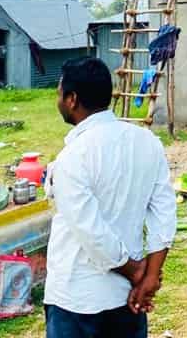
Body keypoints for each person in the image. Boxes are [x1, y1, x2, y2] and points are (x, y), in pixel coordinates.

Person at [44, 57, 177, 338]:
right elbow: (164, 214)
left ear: (72, 99)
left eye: (59, 94)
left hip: (77, 298)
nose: (58, 101)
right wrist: (149, 274)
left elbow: (91, 232)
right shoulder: (146, 142)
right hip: (124, 298)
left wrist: (137, 273)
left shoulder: (73, 157)